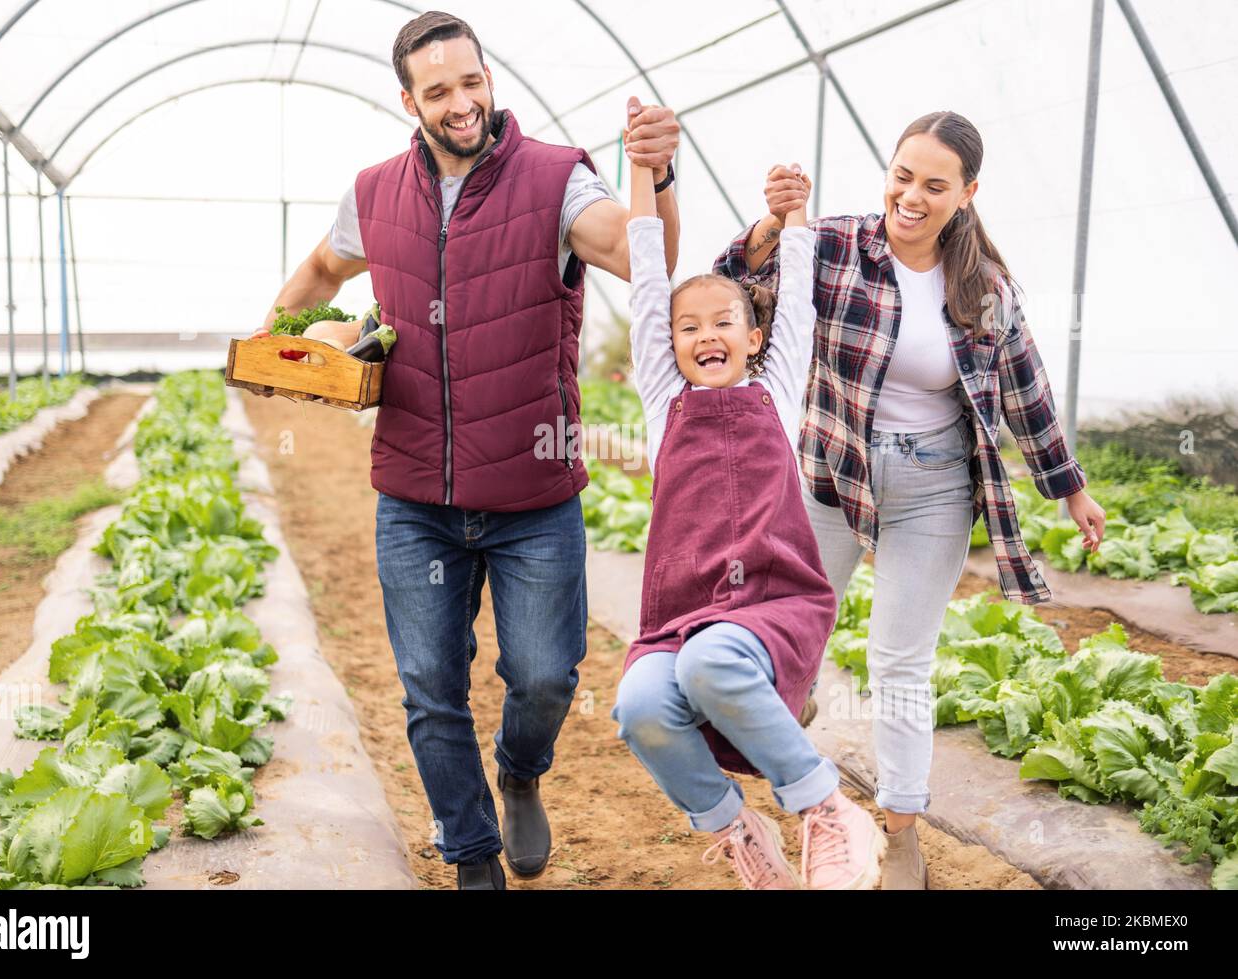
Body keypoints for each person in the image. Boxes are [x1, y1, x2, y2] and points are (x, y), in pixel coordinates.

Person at [250, 11, 682, 890]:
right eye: (439, 90)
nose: (461, 102)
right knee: (429, 690)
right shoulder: (373, 192)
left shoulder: (558, 179)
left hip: (532, 496)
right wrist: (275, 339)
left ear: (489, 79)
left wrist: (659, 174)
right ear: (408, 99)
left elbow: (648, 262)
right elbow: (325, 274)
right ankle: (470, 850)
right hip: (414, 497)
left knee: (544, 675)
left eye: (472, 82)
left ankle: (522, 770)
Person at [713, 111, 1107, 889]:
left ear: (967, 194)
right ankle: (794, 724)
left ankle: (901, 833)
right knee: (785, 630)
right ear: (887, 173)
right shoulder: (833, 245)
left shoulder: (983, 287)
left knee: (900, 664)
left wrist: (1071, 489)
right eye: (903, 176)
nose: (912, 196)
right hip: (830, 474)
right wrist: (770, 222)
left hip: (933, 489)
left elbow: (1027, 389)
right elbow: (737, 292)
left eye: (934, 184)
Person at [610, 139, 886, 889]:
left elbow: (798, 295)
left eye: (723, 322)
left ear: (754, 338)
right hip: (682, 610)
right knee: (638, 704)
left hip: (771, 602)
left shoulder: (780, 387)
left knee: (712, 663)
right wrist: (639, 169)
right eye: (689, 326)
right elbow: (645, 281)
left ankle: (826, 806)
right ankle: (738, 829)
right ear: (668, 347)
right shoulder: (666, 402)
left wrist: (795, 215)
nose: (706, 335)